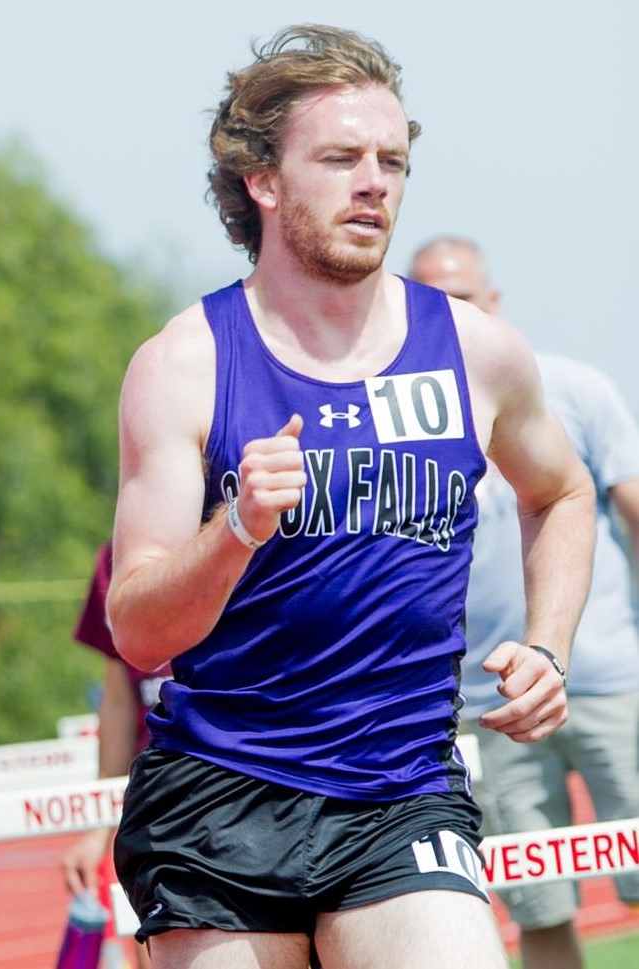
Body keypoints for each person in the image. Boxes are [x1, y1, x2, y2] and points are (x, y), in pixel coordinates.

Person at [105, 25, 596, 969]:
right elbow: (138, 629)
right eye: (340, 158)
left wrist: (549, 644)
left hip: (400, 787)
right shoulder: (186, 364)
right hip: (220, 793)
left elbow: (563, 489)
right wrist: (237, 529)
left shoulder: (476, 348)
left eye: (392, 160)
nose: (374, 182)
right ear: (265, 181)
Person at [411, 236, 639, 969]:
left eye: (466, 298)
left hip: (609, 679)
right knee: (537, 905)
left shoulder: (574, 387)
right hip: (489, 702)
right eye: (433, 302)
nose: (453, 315)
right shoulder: (404, 415)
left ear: (496, 302)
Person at [58, 543, 164, 969]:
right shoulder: (113, 558)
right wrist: (100, 827)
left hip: (252, 784)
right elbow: (119, 703)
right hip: (155, 801)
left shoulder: (248, 525)